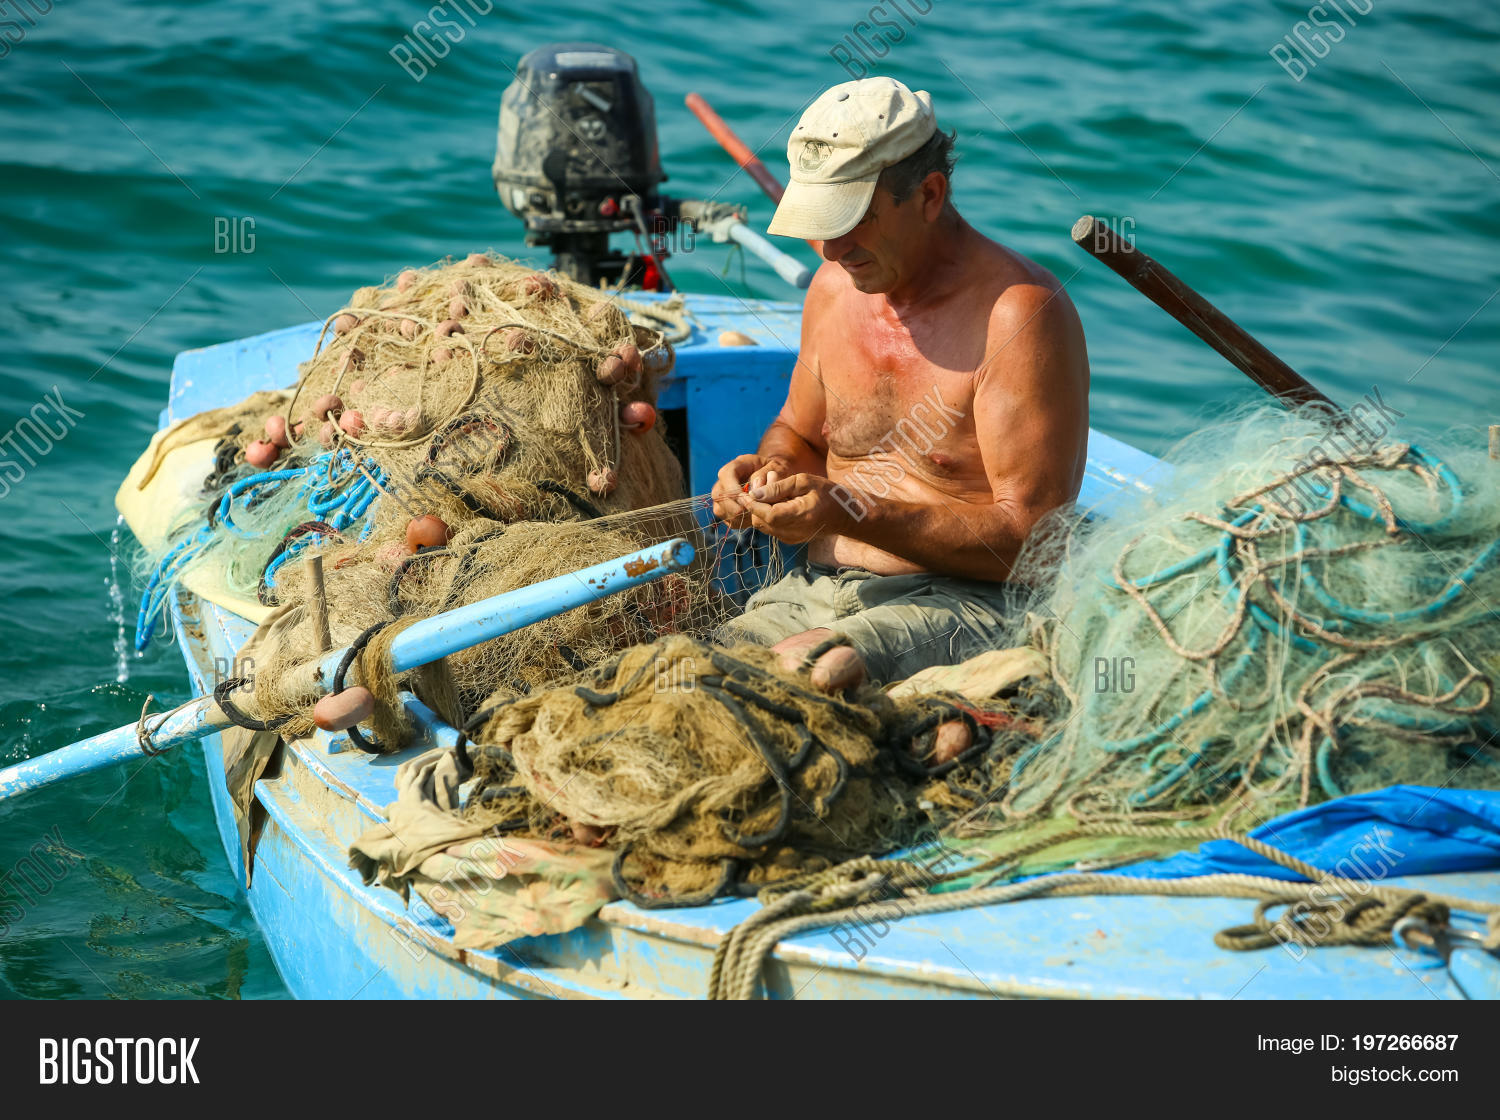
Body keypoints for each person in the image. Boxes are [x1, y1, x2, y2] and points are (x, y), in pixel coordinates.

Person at [712, 75, 1089, 715]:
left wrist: (845, 510)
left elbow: (1031, 544)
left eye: (852, 221)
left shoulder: (1017, 316)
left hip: (961, 602)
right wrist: (771, 473)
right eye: (821, 225)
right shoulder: (833, 289)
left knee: (805, 674)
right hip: (816, 588)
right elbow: (798, 434)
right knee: (679, 680)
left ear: (929, 194)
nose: (832, 249)